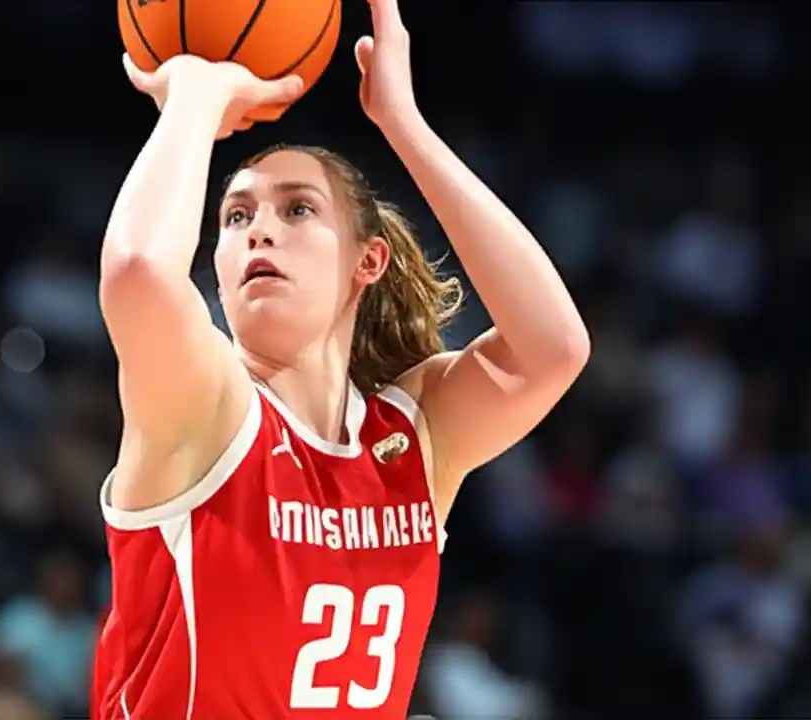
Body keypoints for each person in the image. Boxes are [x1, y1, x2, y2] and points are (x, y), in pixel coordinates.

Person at [92, 1, 589, 717]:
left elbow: (556, 349)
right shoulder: (210, 410)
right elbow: (139, 270)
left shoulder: (411, 438)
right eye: (237, 216)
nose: (261, 230)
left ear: (368, 260)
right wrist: (196, 93)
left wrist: (406, 125)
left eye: (297, 209)